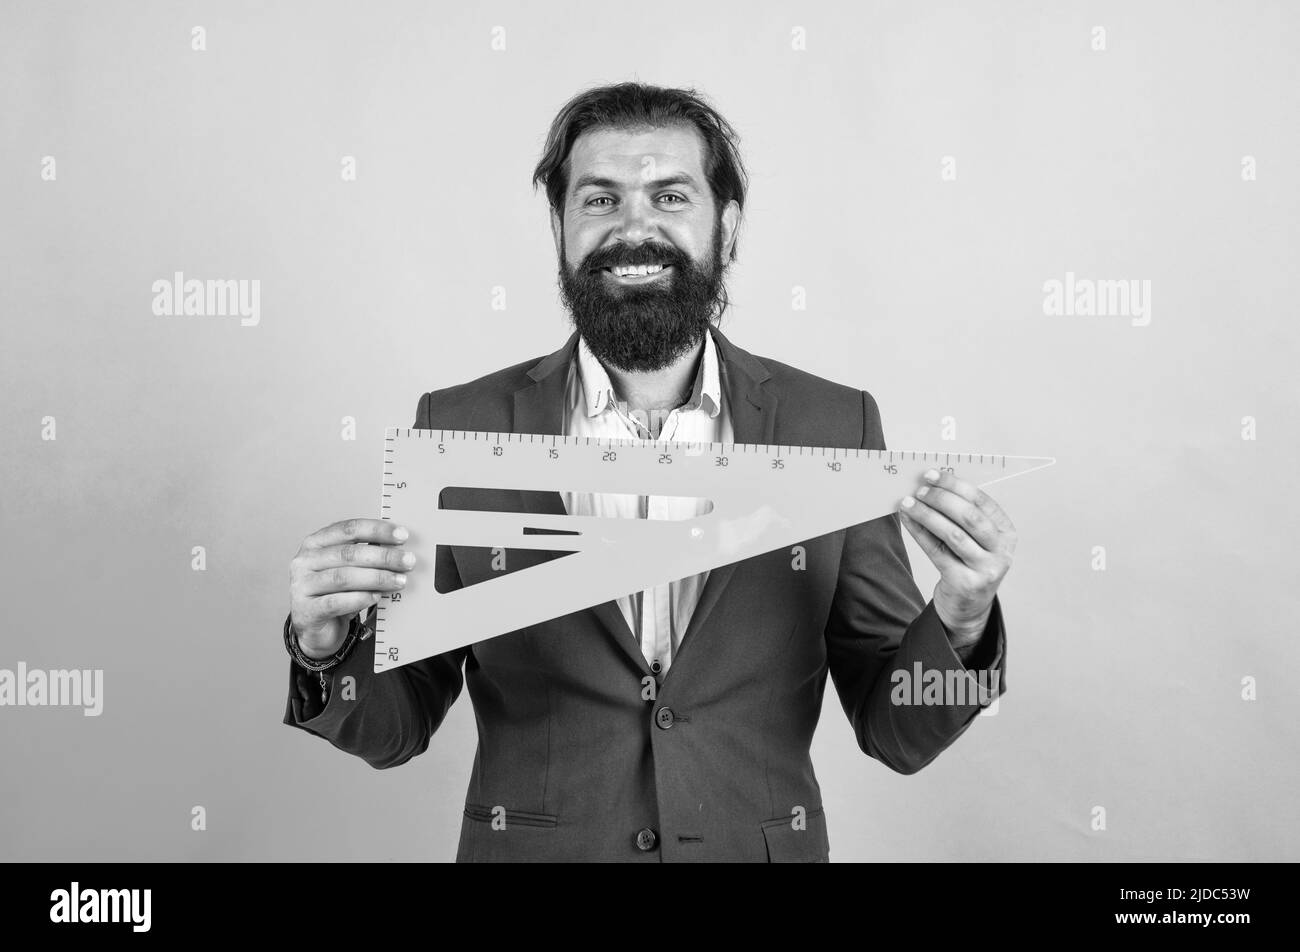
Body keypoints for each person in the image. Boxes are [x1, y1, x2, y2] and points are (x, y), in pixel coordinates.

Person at [281, 82, 1017, 862]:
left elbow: (897, 731)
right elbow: (396, 727)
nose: (634, 228)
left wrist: (962, 623)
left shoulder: (832, 428)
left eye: (670, 195)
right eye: (599, 199)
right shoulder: (462, 427)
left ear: (724, 226)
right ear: (559, 227)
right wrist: (324, 649)